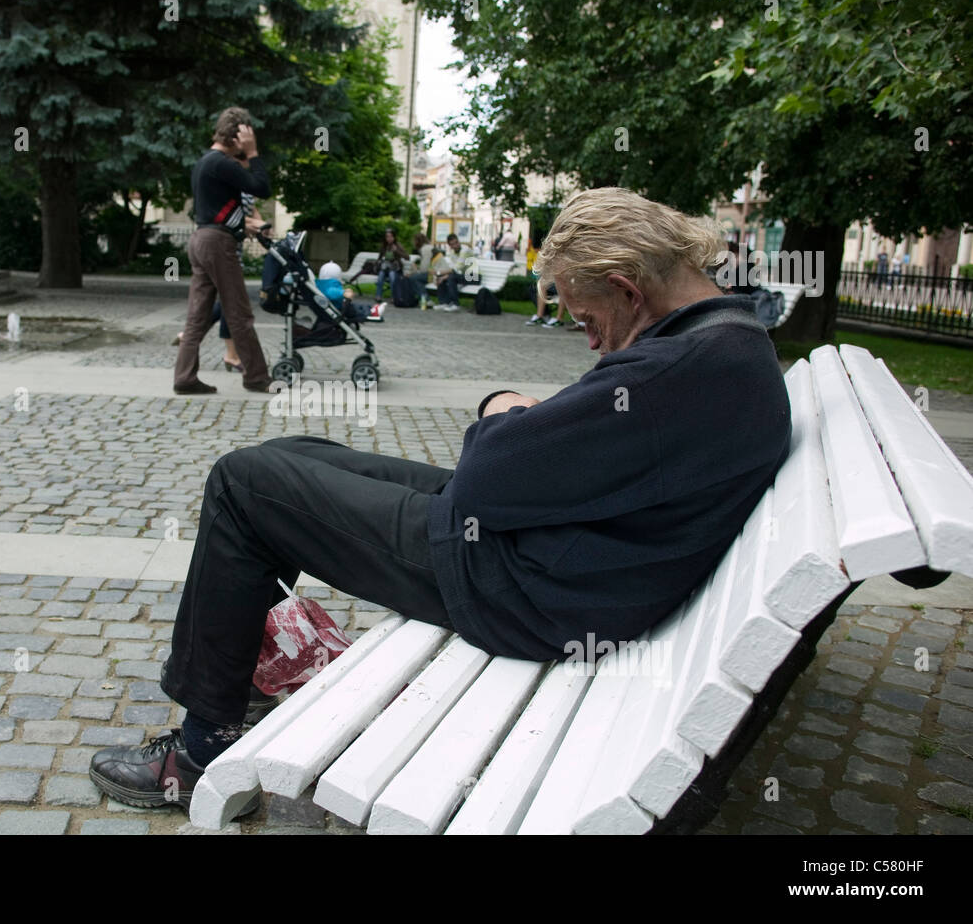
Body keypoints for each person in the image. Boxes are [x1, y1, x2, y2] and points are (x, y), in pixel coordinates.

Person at [89, 187, 792, 812]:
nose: (589, 342)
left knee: (243, 483)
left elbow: (490, 472)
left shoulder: (682, 366)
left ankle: (203, 746)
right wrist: (526, 424)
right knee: (288, 456)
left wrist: (504, 405)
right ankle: (234, 674)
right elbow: (542, 458)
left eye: (586, 318)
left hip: (521, 586)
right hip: (555, 554)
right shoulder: (725, 344)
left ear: (627, 290)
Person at [173, 107, 274, 395]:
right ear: (237, 135)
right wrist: (253, 154)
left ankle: (184, 377)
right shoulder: (223, 162)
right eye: (246, 137)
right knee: (239, 311)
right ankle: (257, 377)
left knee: (197, 316)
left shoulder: (205, 162)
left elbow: (216, 209)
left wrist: (244, 226)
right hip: (217, 244)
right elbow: (262, 187)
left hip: (201, 239)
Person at [431, 233, 477, 311]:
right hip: (462, 276)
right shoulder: (452, 253)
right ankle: (443, 302)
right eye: (452, 244)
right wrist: (440, 276)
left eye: (456, 242)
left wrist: (442, 275)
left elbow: (457, 268)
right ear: (450, 246)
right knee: (442, 277)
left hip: (474, 276)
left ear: (458, 241)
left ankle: (456, 304)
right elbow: (451, 268)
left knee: (450, 278)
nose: (455, 245)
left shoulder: (465, 250)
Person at [373, 228, 408, 303]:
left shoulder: (397, 245)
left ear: (394, 237)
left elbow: (407, 257)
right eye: (387, 237)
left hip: (395, 268)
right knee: (380, 276)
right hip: (385, 267)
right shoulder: (384, 246)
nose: (389, 239)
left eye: (391, 236)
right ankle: (378, 295)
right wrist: (377, 263)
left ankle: (394, 296)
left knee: (392, 276)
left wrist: (396, 251)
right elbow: (379, 257)